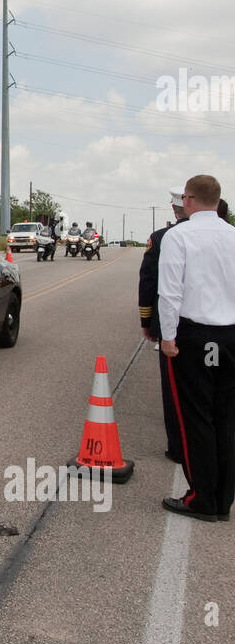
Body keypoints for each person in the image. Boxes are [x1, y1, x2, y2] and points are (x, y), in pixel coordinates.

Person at [158, 173, 235, 522]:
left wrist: (168, 337)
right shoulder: (232, 235)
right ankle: (223, 500)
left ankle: (201, 497)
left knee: (195, 418)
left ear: (188, 200)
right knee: (226, 418)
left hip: (194, 336)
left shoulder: (179, 235)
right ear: (218, 202)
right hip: (231, 336)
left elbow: (170, 291)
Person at [138, 187, 187, 462]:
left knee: (175, 391)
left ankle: (179, 448)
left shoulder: (161, 238)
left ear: (175, 209)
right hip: (221, 327)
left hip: (173, 327)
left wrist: (147, 320)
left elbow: (149, 282)